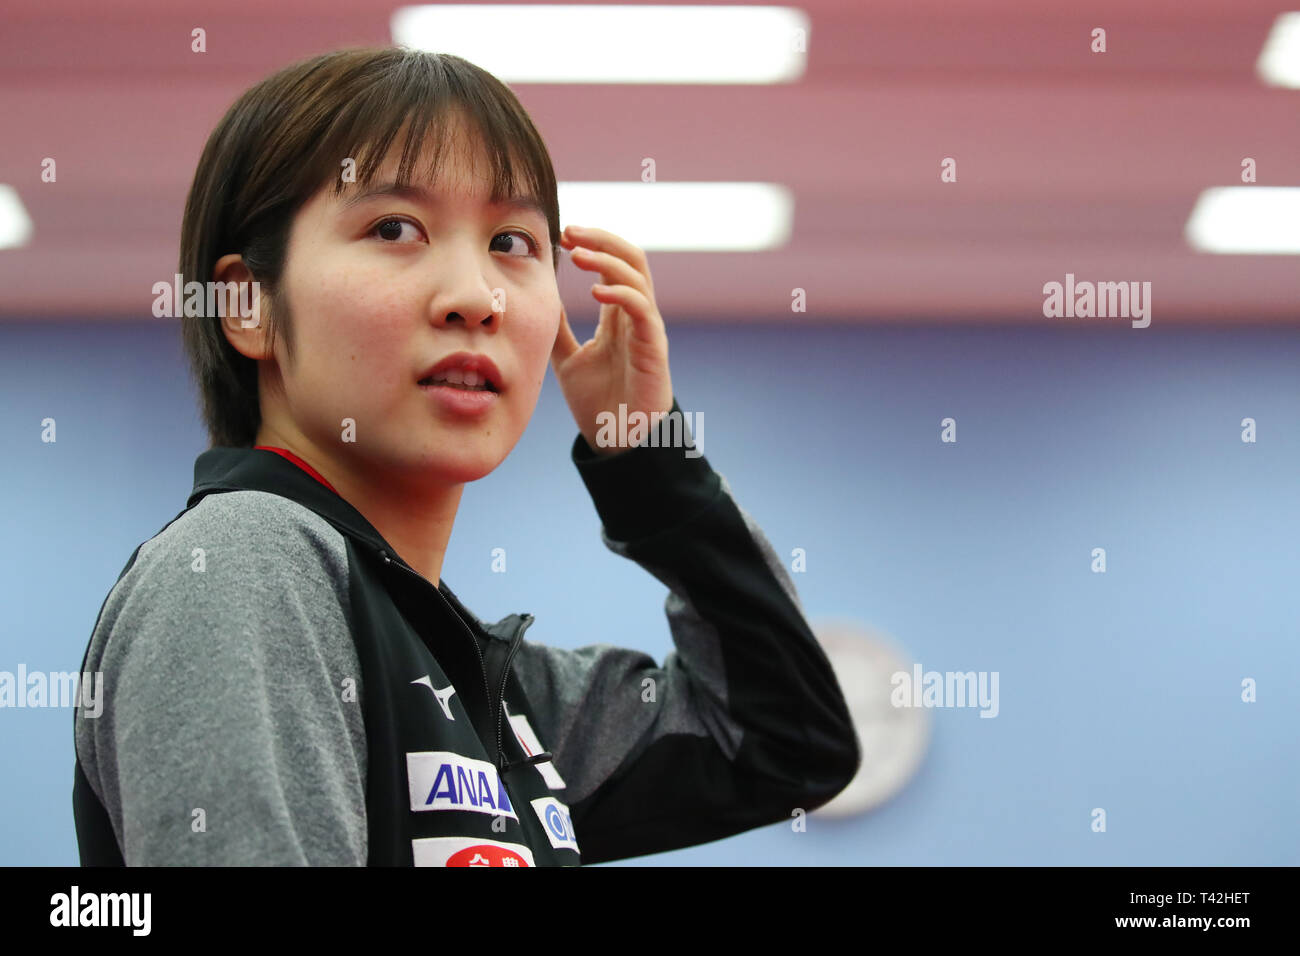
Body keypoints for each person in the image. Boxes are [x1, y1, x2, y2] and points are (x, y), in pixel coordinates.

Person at [72, 46, 859, 866]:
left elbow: (785, 741)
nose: (475, 298)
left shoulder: (494, 691)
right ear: (248, 304)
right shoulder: (244, 564)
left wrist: (645, 452)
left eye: (513, 243)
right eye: (394, 228)